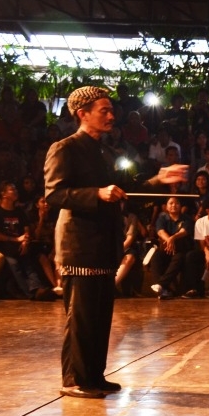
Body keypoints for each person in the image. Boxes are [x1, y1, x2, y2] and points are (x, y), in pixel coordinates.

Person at [44, 86, 186, 398]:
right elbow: (54, 193)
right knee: (81, 317)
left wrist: (160, 179)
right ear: (83, 114)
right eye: (104, 110)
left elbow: (125, 191)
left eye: (111, 110)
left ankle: (94, 376)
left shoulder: (105, 150)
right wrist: (96, 193)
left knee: (99, 315)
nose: (111, 116)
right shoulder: (64, 148)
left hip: (105, 240)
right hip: (79, 242)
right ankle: (74, 380)